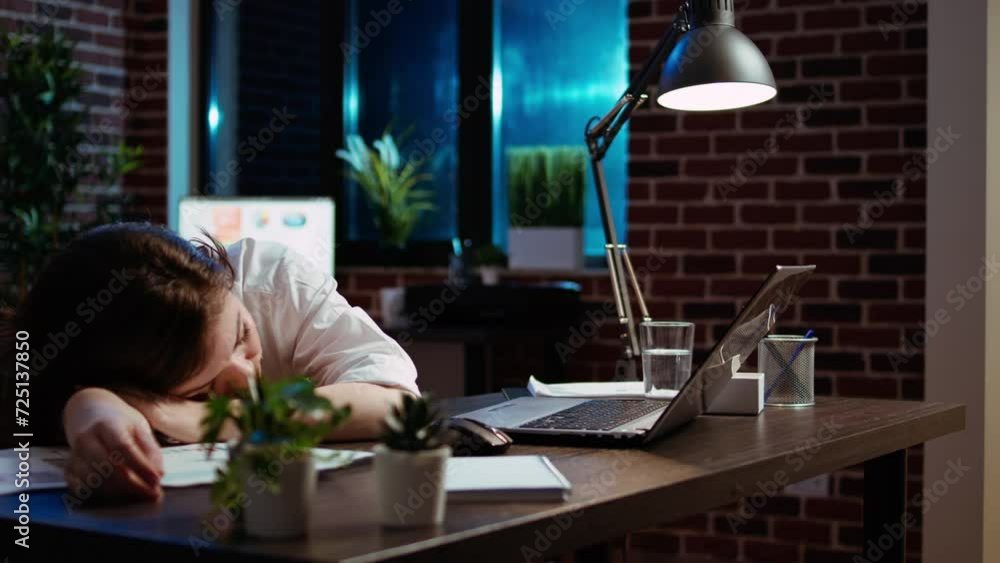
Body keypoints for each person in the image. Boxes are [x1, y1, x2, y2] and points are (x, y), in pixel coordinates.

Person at [0, 222, 418, 502]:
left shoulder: (270, 280)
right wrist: (88, 406)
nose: (245, 376)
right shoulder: (90, 362)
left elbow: (396, 401)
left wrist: (216, 418)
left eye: (242, 334)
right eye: (204, 389)